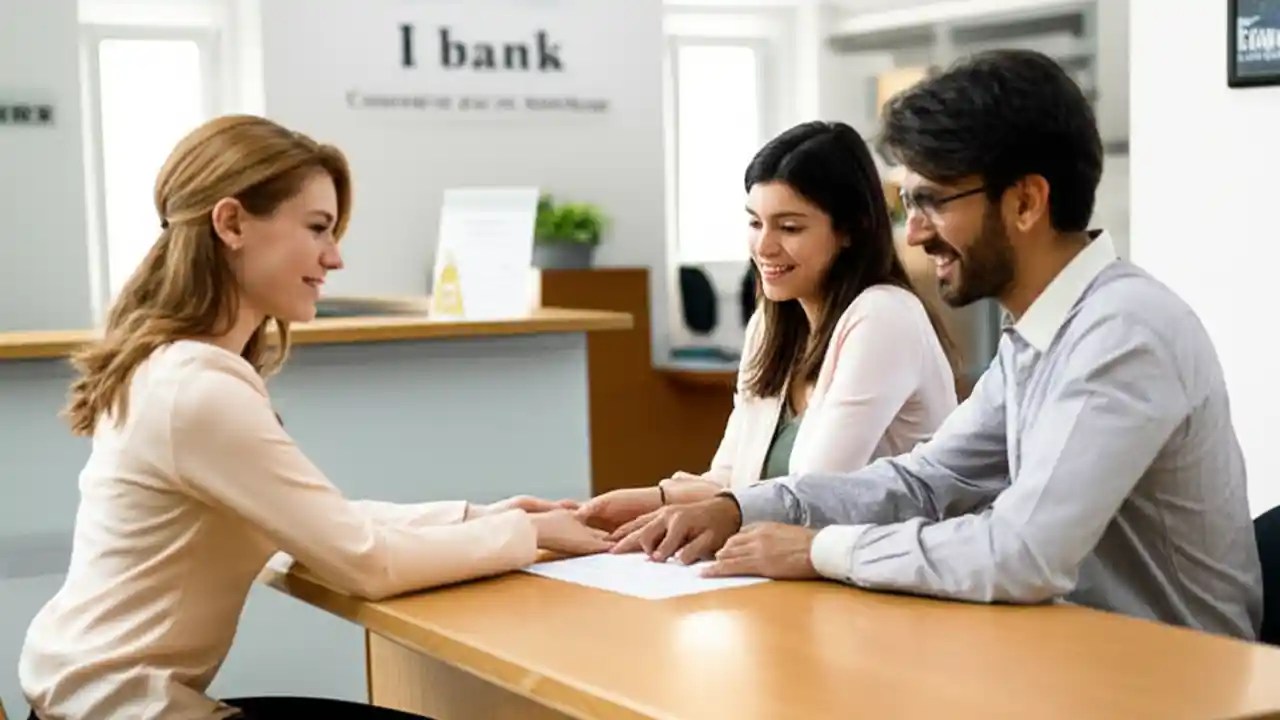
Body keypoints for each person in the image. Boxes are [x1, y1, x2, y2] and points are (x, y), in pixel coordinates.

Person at [621, 49, 1263, 641]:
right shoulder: (1039, 335)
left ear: (1026, 202)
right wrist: (741, 507)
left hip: (1171, 680)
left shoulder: (1123, 332)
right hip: (1064, 656)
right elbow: (927, 482)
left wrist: (818, 550)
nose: (917, 233)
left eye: (932, 202)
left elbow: (1023, 555)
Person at [18, 115, 611, 720]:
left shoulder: (176, 369)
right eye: (318, 228)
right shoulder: (195, 389)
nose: (335, 258)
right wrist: (528, 538)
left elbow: (314, 524)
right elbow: (365, 564)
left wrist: (484, 515)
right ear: (231, 223)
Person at [577, 121, 960, 544]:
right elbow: (731, 476)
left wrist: (691, 505)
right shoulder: (774, 319)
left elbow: (813, 492)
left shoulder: (883, 316)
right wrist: (655, 498)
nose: (763, 246)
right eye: (755, 223)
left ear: (851, 230)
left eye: (789, 227)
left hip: (890, 576)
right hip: (799, 574)